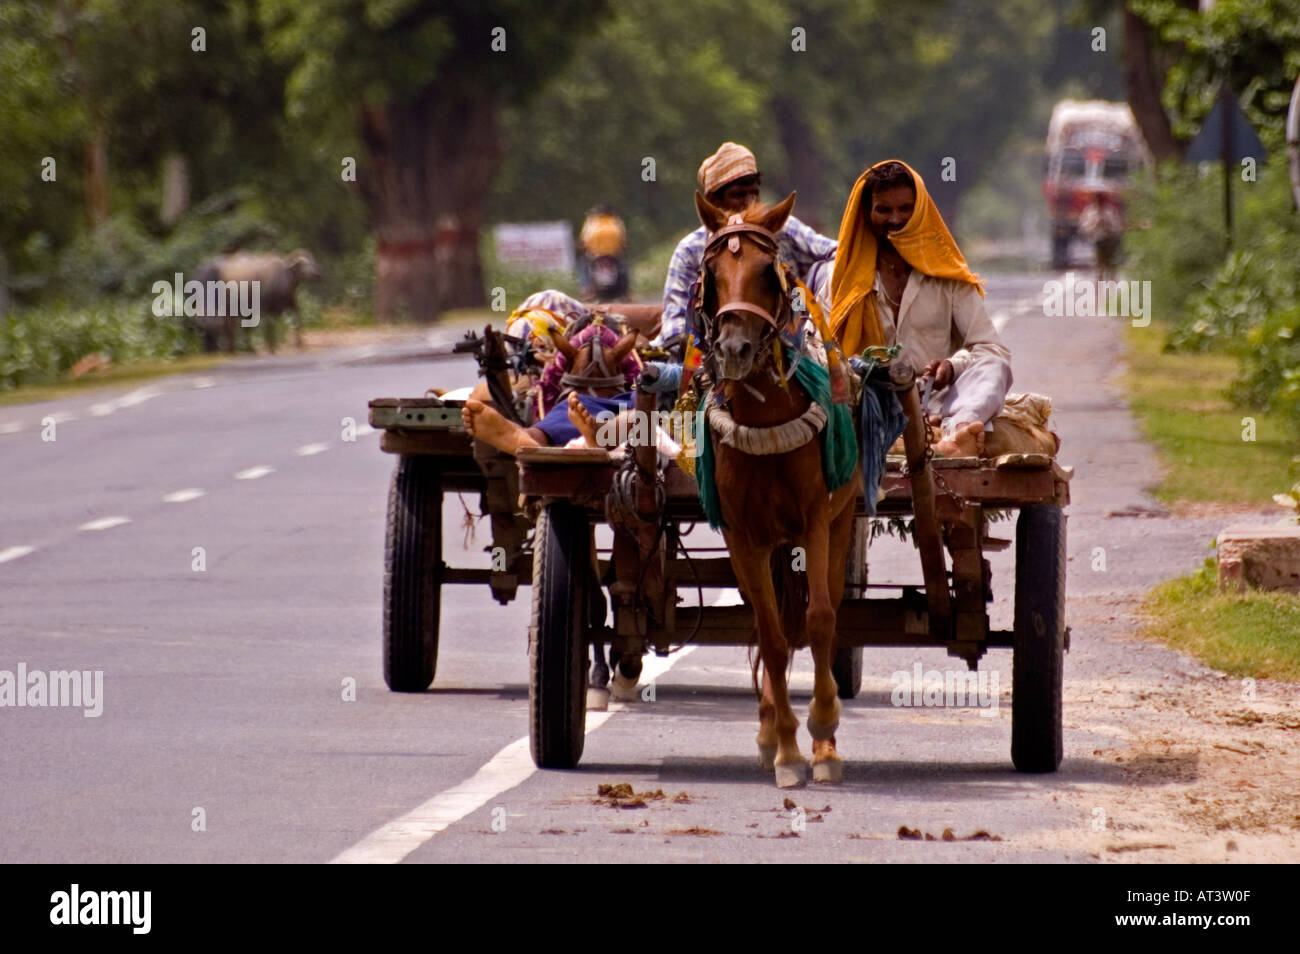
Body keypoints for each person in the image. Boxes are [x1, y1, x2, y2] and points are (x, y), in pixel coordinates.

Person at [829, 159, 1012, 458]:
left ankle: (958, 438)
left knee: (994, 367)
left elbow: (990, 348)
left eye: (905, 209)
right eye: (883, 210)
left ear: (920, 212)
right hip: (865, 403)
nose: (895, 219)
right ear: (866, 213)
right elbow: (819, 347)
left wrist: (953, 366)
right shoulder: (841, 279)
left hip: (941, 402)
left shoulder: (947, 275)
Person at [653, 141, 837, 354]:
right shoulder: (690, 250)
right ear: (714, 201)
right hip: (713, 352)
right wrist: (697, 351)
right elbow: (674, 321)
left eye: (754, 193)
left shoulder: (782, 228)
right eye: (739, 195)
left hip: (790, 349)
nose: (750, 203)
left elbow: (839, 253)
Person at [1078, 192, 1124, 282]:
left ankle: (1112, 288)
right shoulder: (1090, 212)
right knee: (1099, 267)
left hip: (1109, 241)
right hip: (1097, 240)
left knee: (1111, 266)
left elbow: (1117, 226)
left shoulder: (1109, 211)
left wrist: (1108, 224)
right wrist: (1094, 224)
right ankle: (1099, 289)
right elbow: (1084, 227)